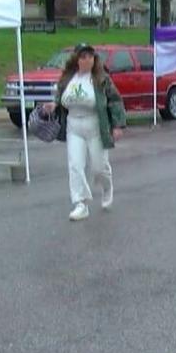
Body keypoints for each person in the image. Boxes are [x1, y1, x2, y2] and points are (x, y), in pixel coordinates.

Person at [43, 44, 128, 222]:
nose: (87, 59)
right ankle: (80, 204)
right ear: (76, 59)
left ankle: (107, 186)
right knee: (75, 165)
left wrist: (118, 125)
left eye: (90, 56)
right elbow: (61, 97)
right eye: (83, 56)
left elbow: (115, 100)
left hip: (95, 125)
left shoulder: (101, 78)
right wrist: (54, 105)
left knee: (99, 167)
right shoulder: (68, 78)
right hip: (74, 126)